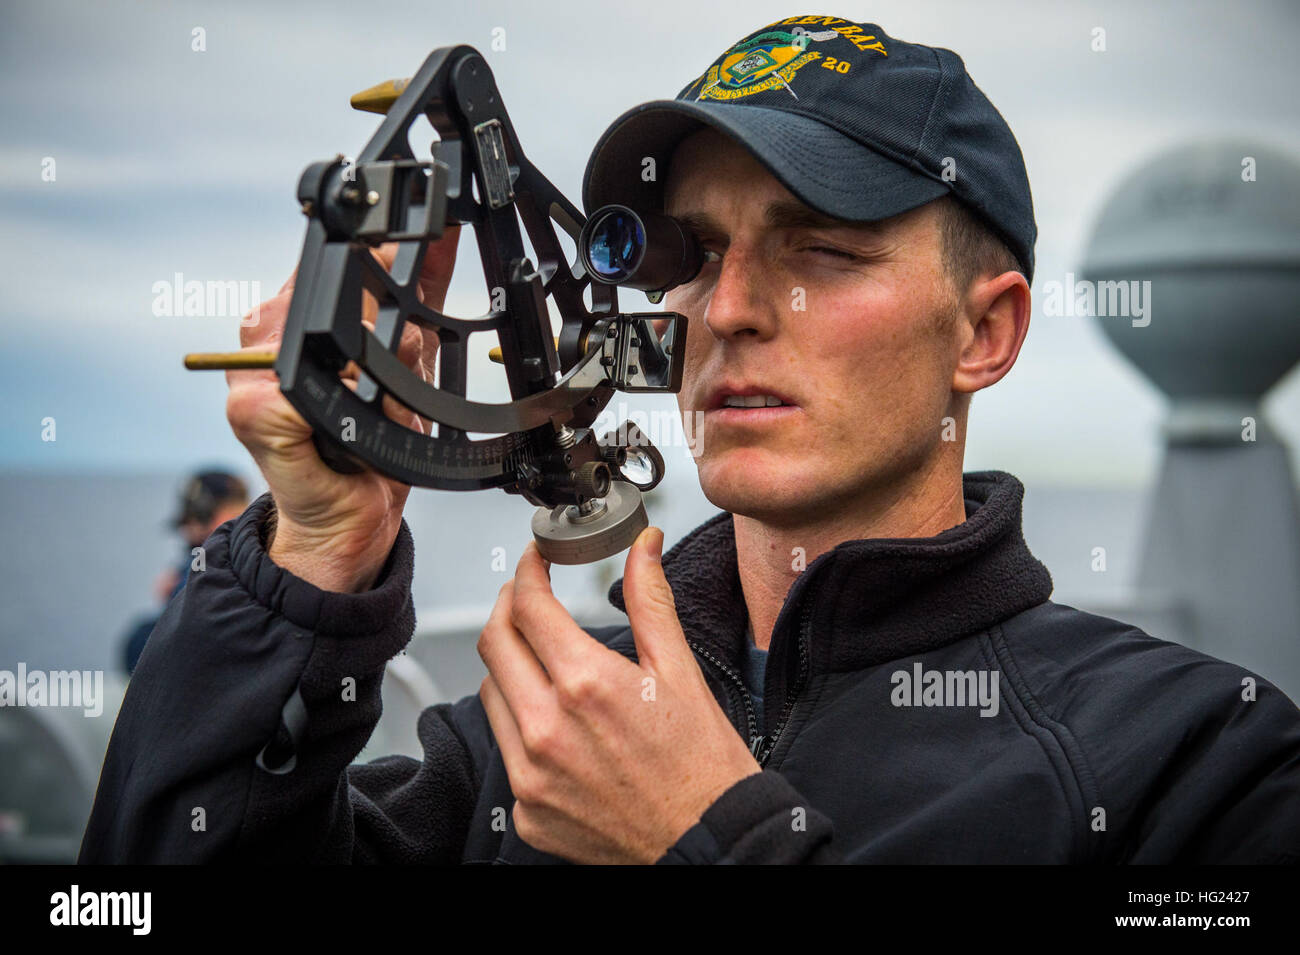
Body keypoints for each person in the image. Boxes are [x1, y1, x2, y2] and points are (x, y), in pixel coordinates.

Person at [81, 16, 1300, 864]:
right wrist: (310, 559)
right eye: (694, 254)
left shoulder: (1205, 762)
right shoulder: (537, 732)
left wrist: (709, 841)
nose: (723, 310)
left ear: (985, 333)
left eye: (822, 247)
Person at [119, 470, 249, 675]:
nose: (185, 533)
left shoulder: (209, 562)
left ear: (218, 517)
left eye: (191, 523)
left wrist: (174, 596)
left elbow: (155, 652)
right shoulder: (251, 552)